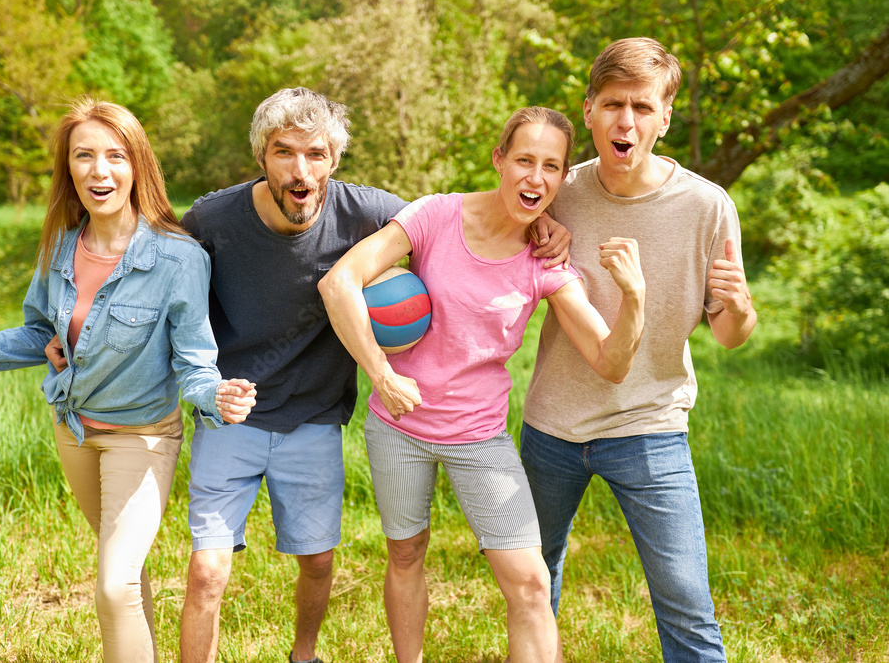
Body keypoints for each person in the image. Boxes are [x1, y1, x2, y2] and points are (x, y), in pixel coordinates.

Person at [177, 88, 571, 663]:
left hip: (314, 416)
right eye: (283, 153)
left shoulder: (368, 211)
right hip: (232, 409)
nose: (300, 170)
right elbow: (166, 282)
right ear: (260, 157)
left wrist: (544, 223)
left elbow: (464, 223)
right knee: (207, 572)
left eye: (315, 154)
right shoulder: (213, 217)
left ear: (334, 160)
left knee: (317, 562)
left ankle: (303, 655)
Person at [0, 97, 252, 663]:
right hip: (74, 431)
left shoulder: (178, 258)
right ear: (69, 168)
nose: (99, 171)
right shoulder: (59, 246)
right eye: (84, 156)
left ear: (137, 166)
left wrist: (217, 396)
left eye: (114, 156)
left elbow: (195, 360)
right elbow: (39, 334)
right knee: (124, 575)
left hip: (142, 438)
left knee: (112, 583)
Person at [318, 106, 646, 663]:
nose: (534, 178)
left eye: (550, 166)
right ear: (499, 160)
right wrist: (382, 373)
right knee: (405, 554)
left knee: (530, 584)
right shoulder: (435, 216)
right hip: (397, 425)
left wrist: (634, 299)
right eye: (523, 160)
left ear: (562, 176)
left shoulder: (546, 260)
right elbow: (339, 281)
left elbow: (609, 360)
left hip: (479, 437)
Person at [520, 38, 757, 663]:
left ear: (665, 117)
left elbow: (730, 336)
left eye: (644, 107)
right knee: (532, 583)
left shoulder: (708, 206)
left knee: (684, 598)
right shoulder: (554, 189)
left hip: (650, 424)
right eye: (614, 105)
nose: (627, 122)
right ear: (590, 109)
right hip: (553, 425)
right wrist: (540, 225)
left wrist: (740, 307)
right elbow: (489, 237)